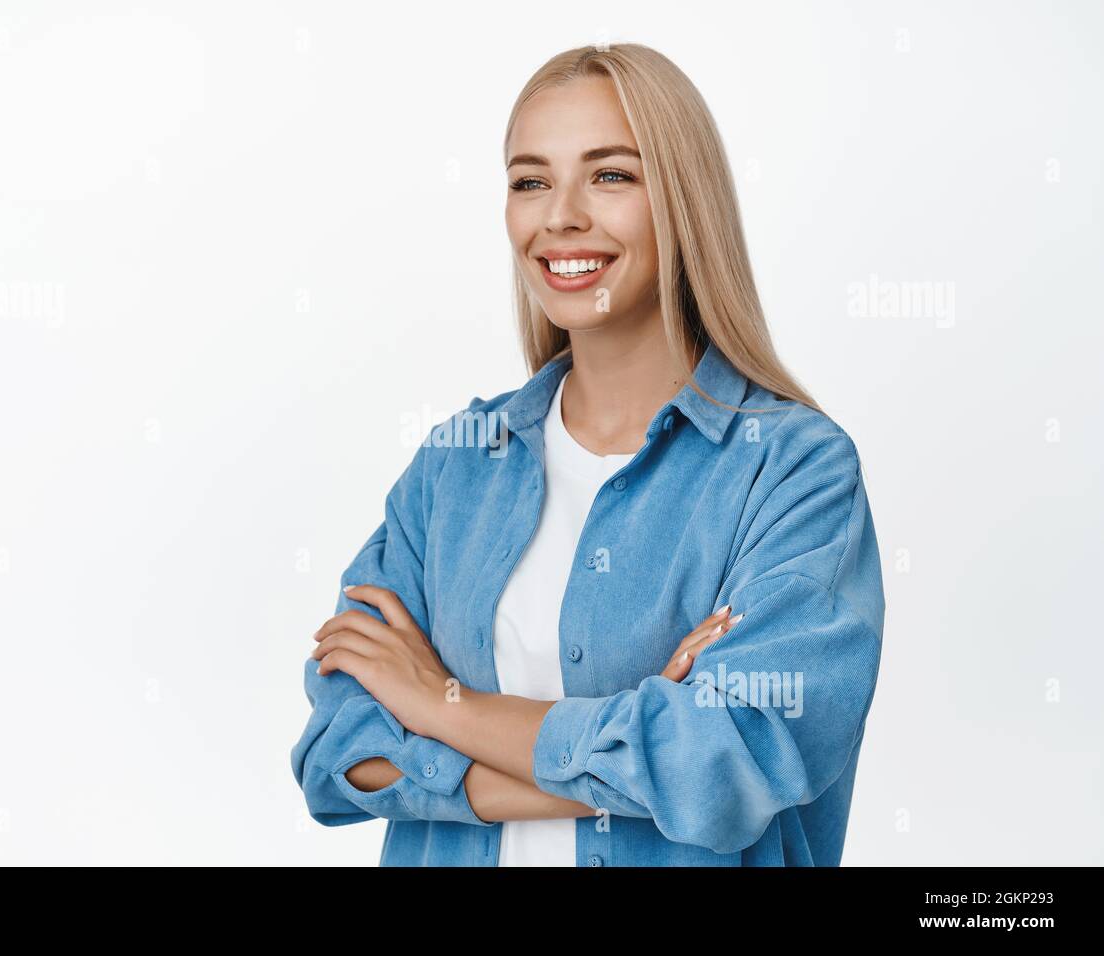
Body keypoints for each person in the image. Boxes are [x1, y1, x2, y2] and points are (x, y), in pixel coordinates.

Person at [291, 42, 885, 867]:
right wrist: (641, 739)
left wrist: (438, 705)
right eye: (530, 180)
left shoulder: (792, 472)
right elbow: (334, 756)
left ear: (682, 200)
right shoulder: (454, 468)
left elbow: (729, 758)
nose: (560, 216)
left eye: (610, 175)